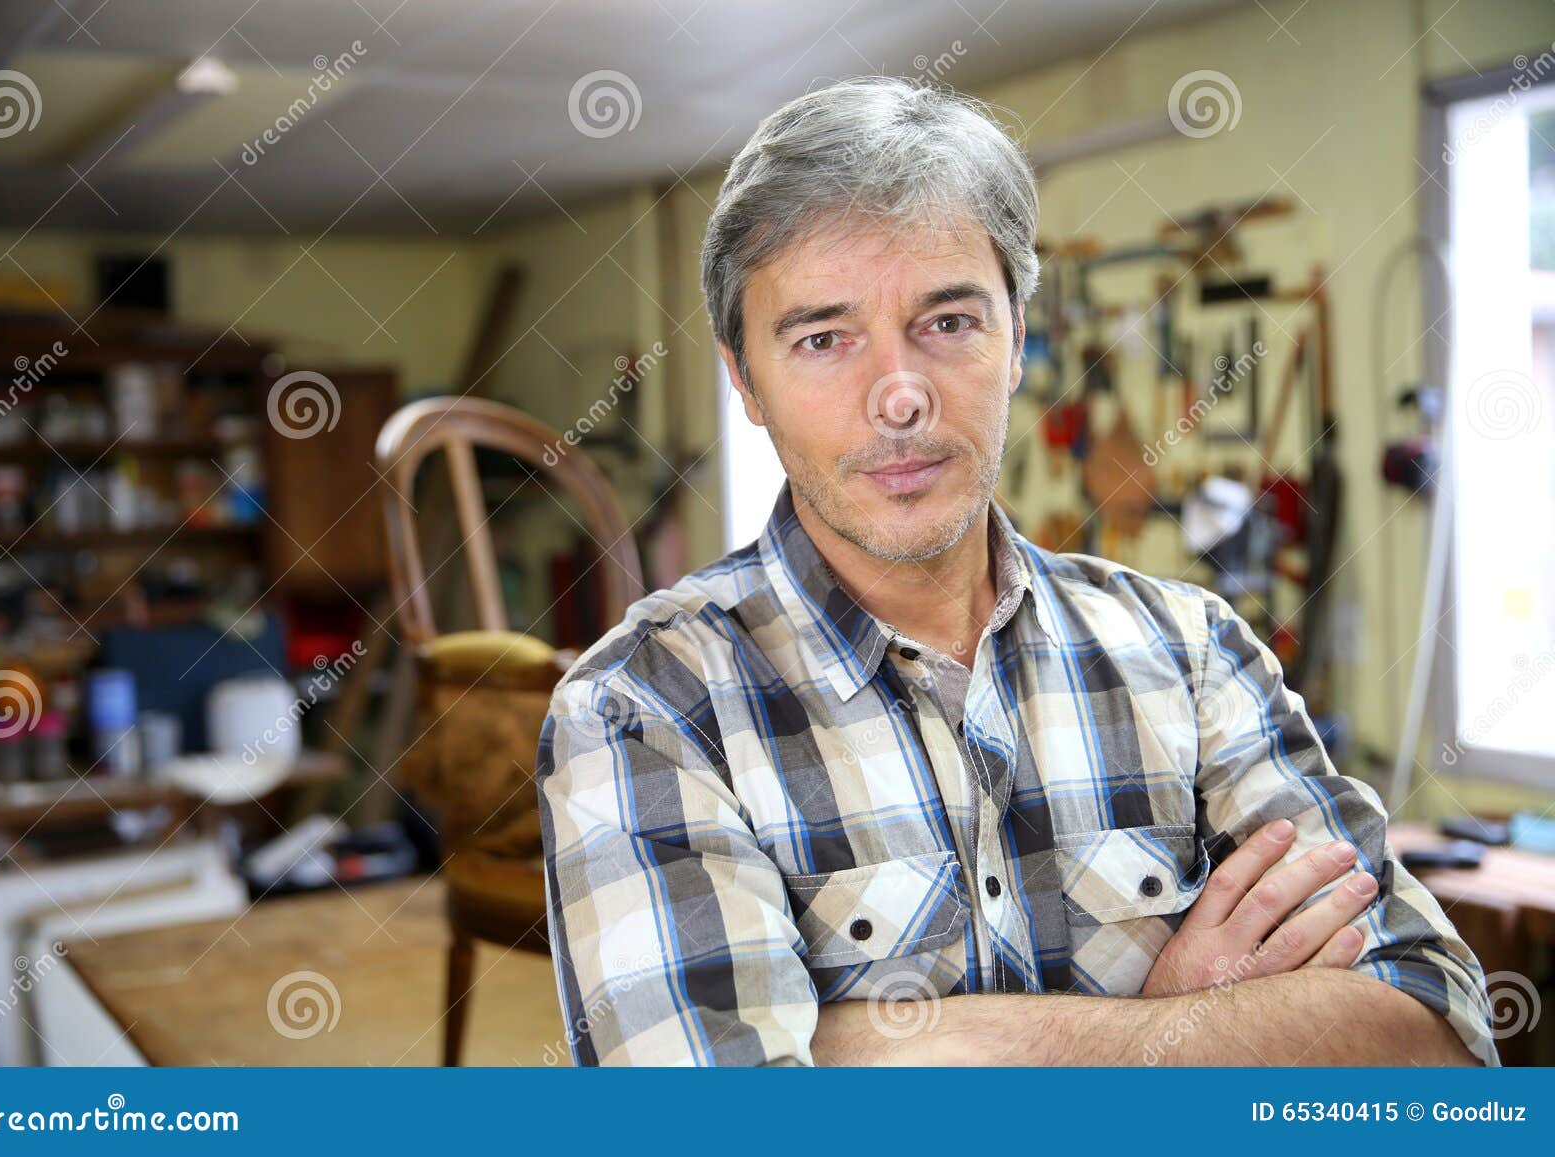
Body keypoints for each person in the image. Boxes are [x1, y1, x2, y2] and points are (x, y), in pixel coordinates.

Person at [535, 77, 1496, 1067]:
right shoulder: (643, 707)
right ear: (745, 382)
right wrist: (1179, 1031)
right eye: (823, 339)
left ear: (1017, 339)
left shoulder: (1192, 651)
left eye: (947, 322)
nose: (899, 395)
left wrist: (922, 1048)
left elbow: (1434, 1040)